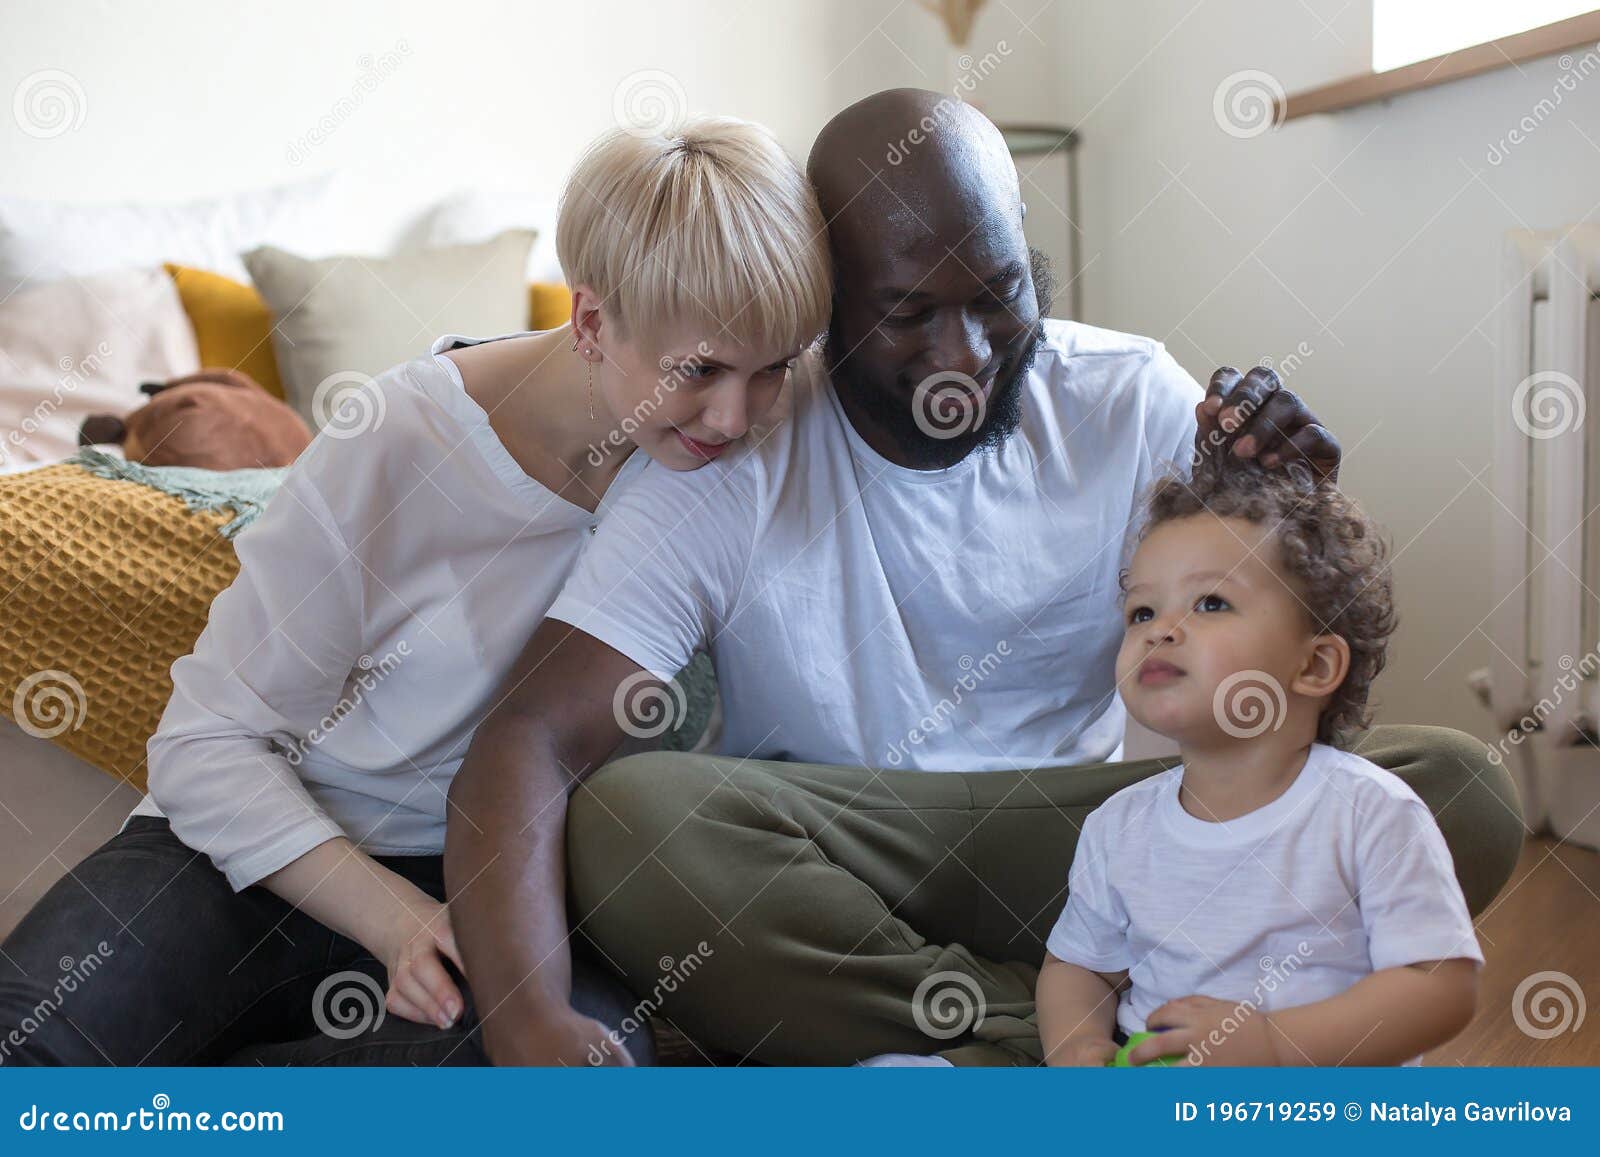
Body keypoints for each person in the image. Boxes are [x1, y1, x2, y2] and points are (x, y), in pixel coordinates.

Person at [441, 88, 1523, 1066]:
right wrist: (529, 1021)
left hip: (1101, 847)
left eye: (998, 295)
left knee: (1457, 786)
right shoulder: (731, 453)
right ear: (827, 306)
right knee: (631, 823)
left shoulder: (1126, 395)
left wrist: (1304, 521)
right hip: (839, 852)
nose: (963, 354)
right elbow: (527, 739)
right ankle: (1084, 1051)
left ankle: (998, 1047)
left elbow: (1305, 687)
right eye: (910, 312)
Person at [0, 116, 831, 1065]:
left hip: (509, 881)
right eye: (700, 372)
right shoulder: (396, 437)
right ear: (593, 322)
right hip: (259, 851)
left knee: (578, 1080)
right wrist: (394, 918)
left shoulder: (730, 448)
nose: (737, 415)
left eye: (772, 369)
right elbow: (205, 746)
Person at [1037, 456, 1479, 1068]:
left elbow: (1441, 987)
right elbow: (1080, 966)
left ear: (1315, 665)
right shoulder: (1118, 826)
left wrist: (1274, 1044)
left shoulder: (1369, 811)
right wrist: (1077, 1046)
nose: (1160, 630)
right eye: (1142, 611)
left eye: (1211, 603)